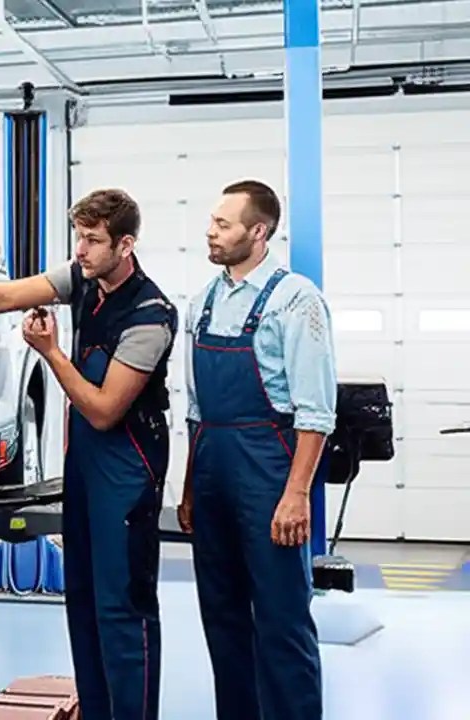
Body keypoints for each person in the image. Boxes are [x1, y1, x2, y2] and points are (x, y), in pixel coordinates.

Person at [0, 189, 177, 720]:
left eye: (92, 240)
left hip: (128, 469)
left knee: (123, 608)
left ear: (126, 244)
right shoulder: (85, 279)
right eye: (78, 238)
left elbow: (104, 409)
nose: (81, 250)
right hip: (88, 467)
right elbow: (8, 295)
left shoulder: (150, 315)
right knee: (84, 604)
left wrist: (50, 354)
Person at [178, 179, 336, 720]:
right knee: (221, 617)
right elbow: (195, 410)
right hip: (212, 470)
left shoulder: (296, 300)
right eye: (213, 221)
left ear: (259, 232)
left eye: (223, 224)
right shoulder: (201, 302)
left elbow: (315, 414)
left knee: (282, 619)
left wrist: (297, 496)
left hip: (269, 471)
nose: (211, 231)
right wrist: (190, 490)